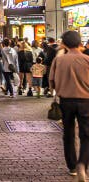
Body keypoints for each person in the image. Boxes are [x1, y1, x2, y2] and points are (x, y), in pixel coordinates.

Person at [49, 30, 89, 180]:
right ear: (80, 43)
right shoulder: (87, 59)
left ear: (64, 44)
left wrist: (58, 89)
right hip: (86, 101)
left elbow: (51, 81)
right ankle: (83, 163)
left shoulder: (59, 60)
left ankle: (72, 166)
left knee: (68, 133)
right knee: (86, 134)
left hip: (66, 101)